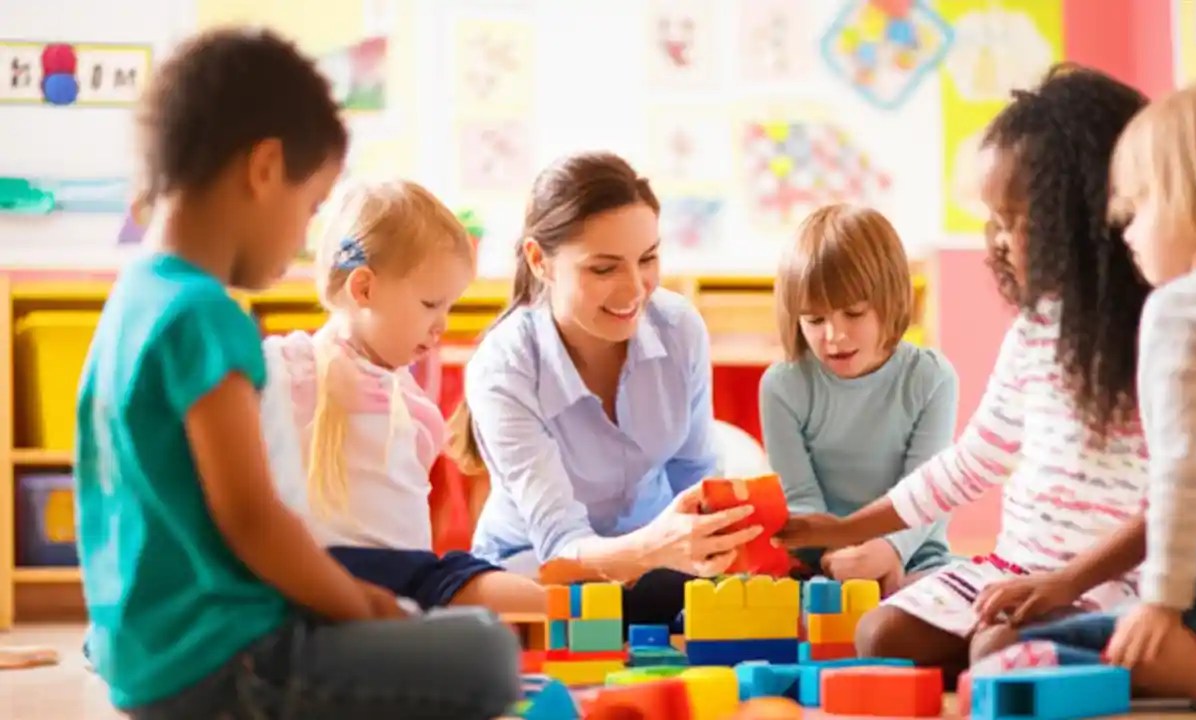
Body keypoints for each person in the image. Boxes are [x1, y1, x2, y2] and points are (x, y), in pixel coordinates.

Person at [74, 28, 517, 720]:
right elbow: (252, 518)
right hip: (228, 662)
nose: (307, 235)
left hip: (153, 661)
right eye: (310, 207)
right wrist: (361, 605)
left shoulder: (133, 300)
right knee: (486, 653)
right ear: (264, 168)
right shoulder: (203, 316)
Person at [774, 65, 1152, 683]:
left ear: (1080, 218)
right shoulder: (1035, 329)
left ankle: (1034, 657)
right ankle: (1007, 651)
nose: (996, 241)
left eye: (1014, 220)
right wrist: (847, 527)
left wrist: (1065, 582)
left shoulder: (1155, 335)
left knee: (997, 652)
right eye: (992, 221)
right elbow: (974, 459)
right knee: (879, 633)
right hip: (1017, 565)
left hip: (1107, 582)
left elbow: (1177, 501)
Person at [972, 76, 1196, 714]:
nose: (1126, 234)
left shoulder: (1179, 311)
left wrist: (1161, 604)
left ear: (1190, 201)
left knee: (1006, 663)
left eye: (1136, 210)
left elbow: (1185, 477)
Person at [448, 151, 761, 627]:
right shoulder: (504, 366)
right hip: (536, 577)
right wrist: (656, 550)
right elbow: (559, 547)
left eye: (648, 259)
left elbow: (695, 475)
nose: (634, 289)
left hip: (661, 571)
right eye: (603, 269)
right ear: (539, 260)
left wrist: (713, 546)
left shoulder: (678, 329)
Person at [260, 178, 545, 615]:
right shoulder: (288, 366)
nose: (442, 325)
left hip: (409, 574)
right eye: (431, 304)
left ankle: (587, 605)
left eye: (448, 308)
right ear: (364, 289)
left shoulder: (414, 407)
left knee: (473, 578)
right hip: (315, 570)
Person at [760, 204, 957, 594]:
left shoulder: (931, 378)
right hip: (818, 560)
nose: (834, 336)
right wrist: (837, 557)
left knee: (951, 598)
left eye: (853, 313)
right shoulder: (782, 386)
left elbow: (927, 492)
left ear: (891, 301)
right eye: (814, 320)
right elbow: (800, 497)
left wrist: (888, 550)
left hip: (914, 555)